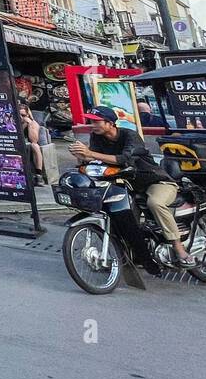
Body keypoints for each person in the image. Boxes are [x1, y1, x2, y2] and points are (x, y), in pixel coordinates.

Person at [72, 105, 192, 267]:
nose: (92, 126)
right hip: (127, 184)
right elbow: (94, 159)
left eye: (96, 122)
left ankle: (179, 248)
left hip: (154, 181)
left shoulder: (130, 135)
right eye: (91, 122)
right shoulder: (97, 137)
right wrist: (81, 157)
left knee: (154, 203)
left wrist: (90, 154)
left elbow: (124, 159)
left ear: (110, 123)